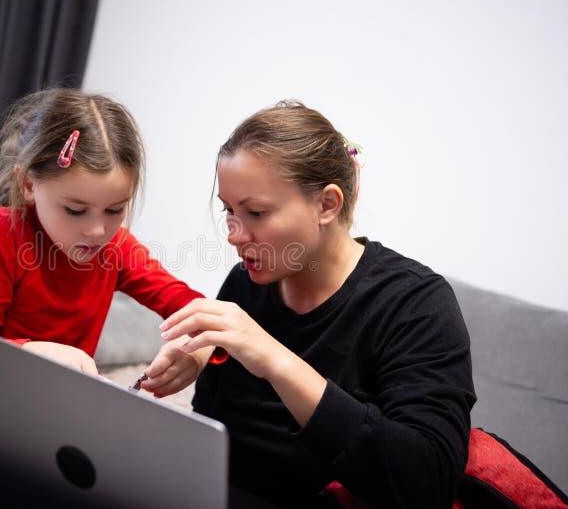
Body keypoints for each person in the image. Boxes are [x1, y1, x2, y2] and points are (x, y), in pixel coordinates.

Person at [152, 100, 476, 508]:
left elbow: (427, 482)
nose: (233, 234)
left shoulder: (416, 303)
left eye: (255, 212)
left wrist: (274, 359)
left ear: (326, 204)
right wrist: (198, 358)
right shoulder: (244, 283)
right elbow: (213, 439)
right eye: (229, 210)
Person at [0, 88, 210, 380]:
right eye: (75, 211)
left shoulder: (116, 246)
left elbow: (180, 299)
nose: (97, 231)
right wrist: (37, 351)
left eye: (114, 210)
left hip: (63, 402)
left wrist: (196, 347)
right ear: (28, 185)